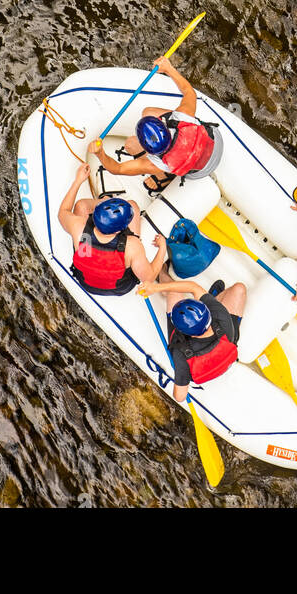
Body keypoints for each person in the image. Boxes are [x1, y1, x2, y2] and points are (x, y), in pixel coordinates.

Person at [90, 56, 220, 191]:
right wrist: (169, 69)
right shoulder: (183, 118)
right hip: (215, 143)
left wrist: (100, 153)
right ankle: (168, 174)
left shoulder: (156, 165)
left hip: (199, 171)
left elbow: (118, 168)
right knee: (147, 115)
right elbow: (189, 92)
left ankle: (165, 176)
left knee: (131, 143)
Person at [58, 167, 166, 296]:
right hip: (119, 287)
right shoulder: (132, 245)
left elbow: (63, 212)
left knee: (81, 206)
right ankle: (109, 201)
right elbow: (148, 278)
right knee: (133, 206)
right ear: (121, 230)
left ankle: (105, 200)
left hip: (85, 281)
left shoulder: (79, 227)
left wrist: (78, 181)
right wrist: (162, 247)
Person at [140, 273, 246, 401]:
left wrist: (157, 287)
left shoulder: (181, 353)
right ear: (208, 312)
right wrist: (155, 288)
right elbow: (194, 287)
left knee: (174, 293)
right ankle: (212, 298)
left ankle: (162, 273)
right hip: (226, 342)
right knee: (239, 289)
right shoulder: (220, 314)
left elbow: (180, 397)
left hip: (200, 363)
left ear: (186, 333)